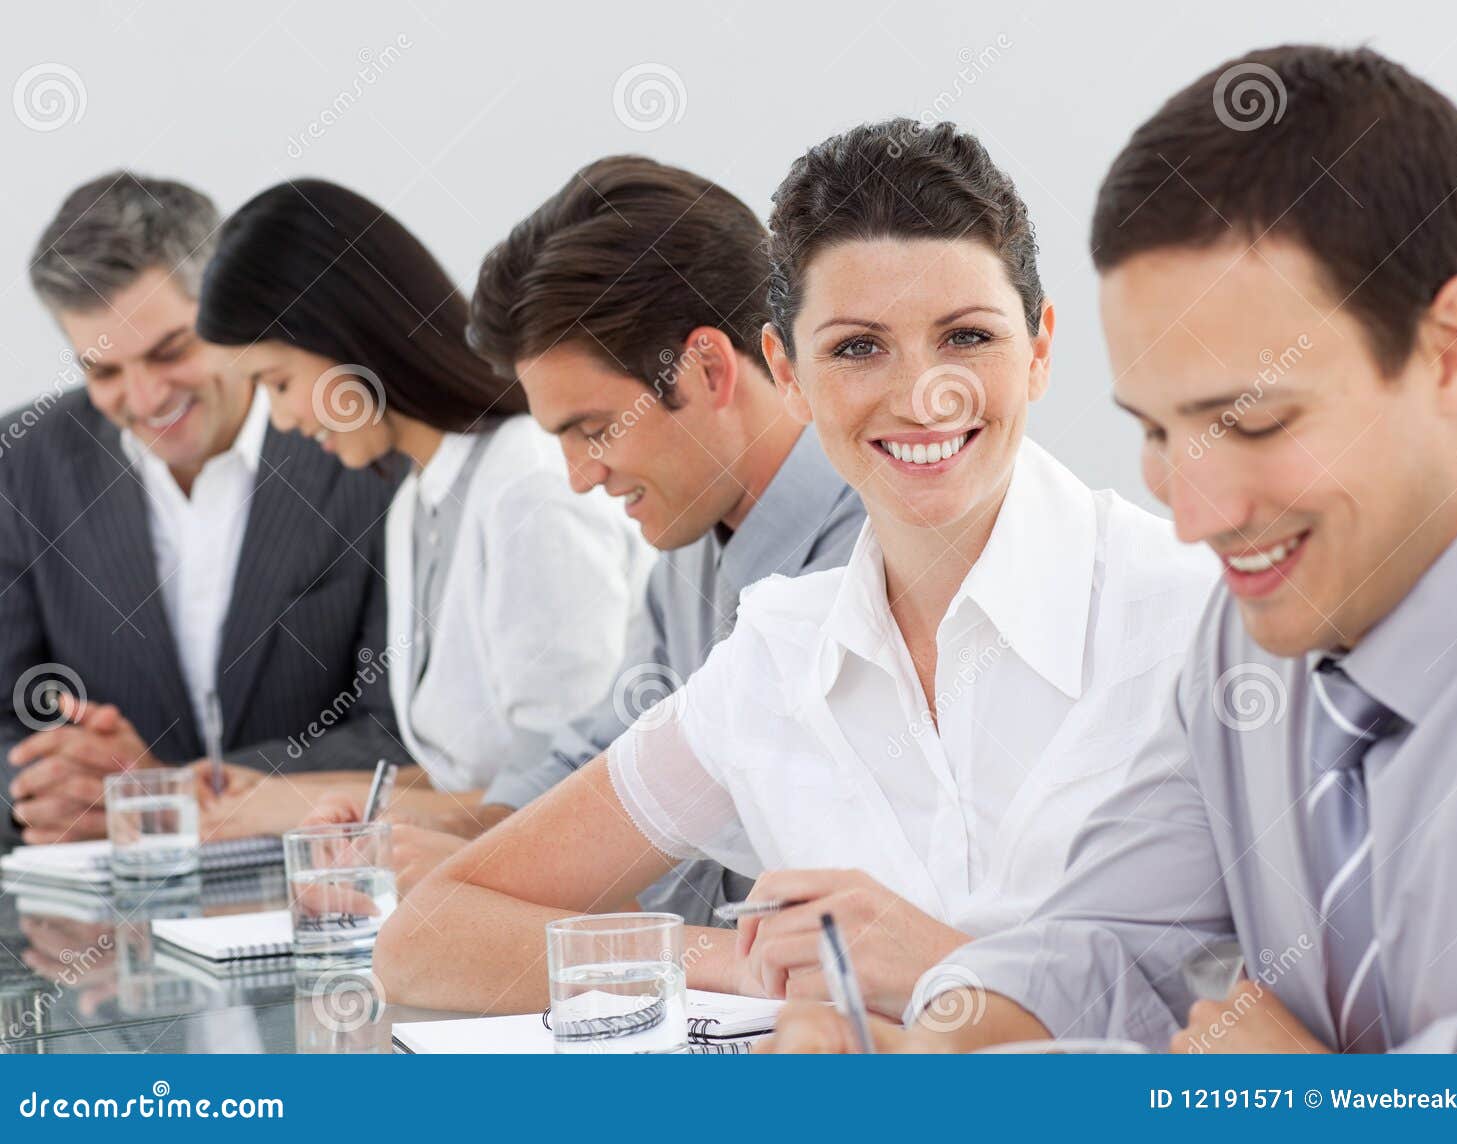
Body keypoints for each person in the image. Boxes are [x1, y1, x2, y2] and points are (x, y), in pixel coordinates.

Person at [766, 45, 1457, 1055]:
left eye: (1249, 422)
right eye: (1158, 434)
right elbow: (1103, 942)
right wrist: (920, 1051)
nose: (1194, 517)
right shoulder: (1247, 643)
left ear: (1454, 346)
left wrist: (1307, 1102)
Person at [374, 121, 1217, 1016]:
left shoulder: (1196, 617)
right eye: (858, 347)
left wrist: (945, 971)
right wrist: (754, 964)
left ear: (1040, 349)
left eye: (967, 336)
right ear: (790, 373)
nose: (924, 393)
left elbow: (1314, 1040)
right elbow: (426, 941)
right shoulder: (775, 654)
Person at [299, 156, 866, 912]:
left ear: (704, 369)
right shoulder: (692, 546)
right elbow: (604, 747)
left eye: (594, 430)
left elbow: (761, 836)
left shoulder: (872, 548)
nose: (579, 476)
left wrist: (490, 873)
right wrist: (465, 847)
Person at [176, 178, 653, 834]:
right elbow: (460, 774)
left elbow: (561, 802)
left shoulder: (527, 485)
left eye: (277, 383)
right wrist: (268, 790)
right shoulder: (414, 505)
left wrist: (289, 808)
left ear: (346, 334)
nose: (281, 419)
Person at [1, 173, 398, 849]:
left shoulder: (361, 447)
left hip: (331, 888)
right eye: (104, 371)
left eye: (171, 351)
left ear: (231, 309)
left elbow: (402, 731)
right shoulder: (26, 464)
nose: (147, 396)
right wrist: (51, 790)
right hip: (113, 916)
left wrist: (173, 792)